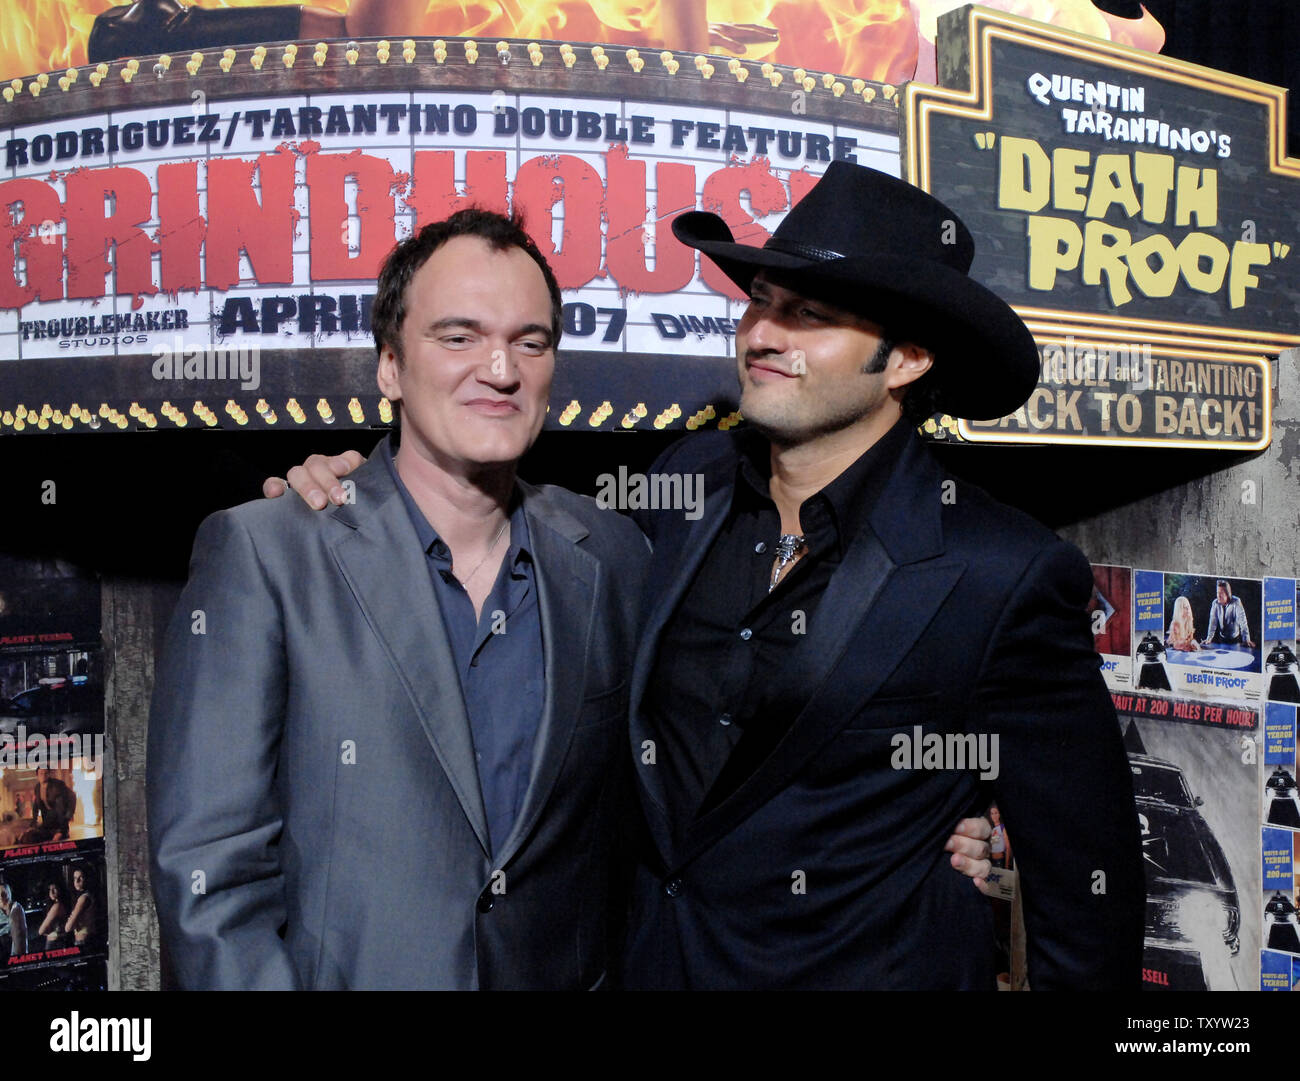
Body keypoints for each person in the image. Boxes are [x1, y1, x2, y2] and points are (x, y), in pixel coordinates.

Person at [274, 165, 1143, 988]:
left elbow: (1087, 898)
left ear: (906, 361)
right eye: (761, 302)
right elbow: (507, 526)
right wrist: (361, 491)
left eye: (811, 314)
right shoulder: (682, 489)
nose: (763, 334)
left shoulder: (1002, 569)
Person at [1203, 579, 1254, 648]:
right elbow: (1213, 622)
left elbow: (1243, 622)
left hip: (1235, 639)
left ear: (1227, 593)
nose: (1218, 595)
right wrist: (1208, 639)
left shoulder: (1236, 602)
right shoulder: (1215, 603)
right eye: (1217, 592)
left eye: (1221, 593)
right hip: (1222, 638)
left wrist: (1246, 639)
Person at [37, 880, 70, 950]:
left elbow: (41, 931)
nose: (51, 892)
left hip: (54, 943)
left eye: (54, 889)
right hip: (60, 941)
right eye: (49, 889)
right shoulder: (62, 904)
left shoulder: (57, 906)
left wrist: (47, 931)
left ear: (60, 890)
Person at [0, 883, 27, 960]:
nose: (1, 897)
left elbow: (18, 933)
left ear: (9, 894)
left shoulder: (16, 908)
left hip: (12, 948)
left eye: (4, 894)